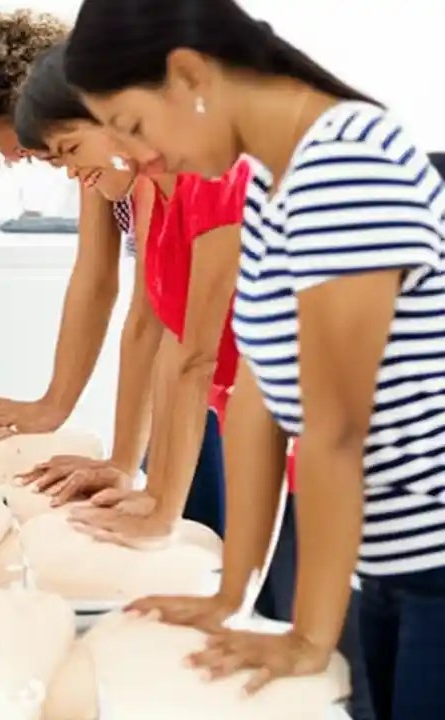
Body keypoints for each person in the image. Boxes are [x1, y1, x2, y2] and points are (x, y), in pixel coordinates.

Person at [65, 1, 445, 717]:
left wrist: (308, 635)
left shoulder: (347, 162)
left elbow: (335, 424)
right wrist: (232, 592)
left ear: (188, 74)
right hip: (388, 567)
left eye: (137, 129)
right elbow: (258, 399)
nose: (139, 161)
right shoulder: (278, 183)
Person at [11, 43, 248, 547]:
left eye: (71, 150)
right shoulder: (156, 196)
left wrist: (162, 513)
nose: (72, 174)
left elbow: (195, 358)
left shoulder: (214, 177)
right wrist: (141, 482)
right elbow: (166, 347)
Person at [0, 11, 137, 438]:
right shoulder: (96, 169)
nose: (5, 156)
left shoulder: (138, 157)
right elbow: (93, 278)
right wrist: (53, 406)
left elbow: (154, 319)